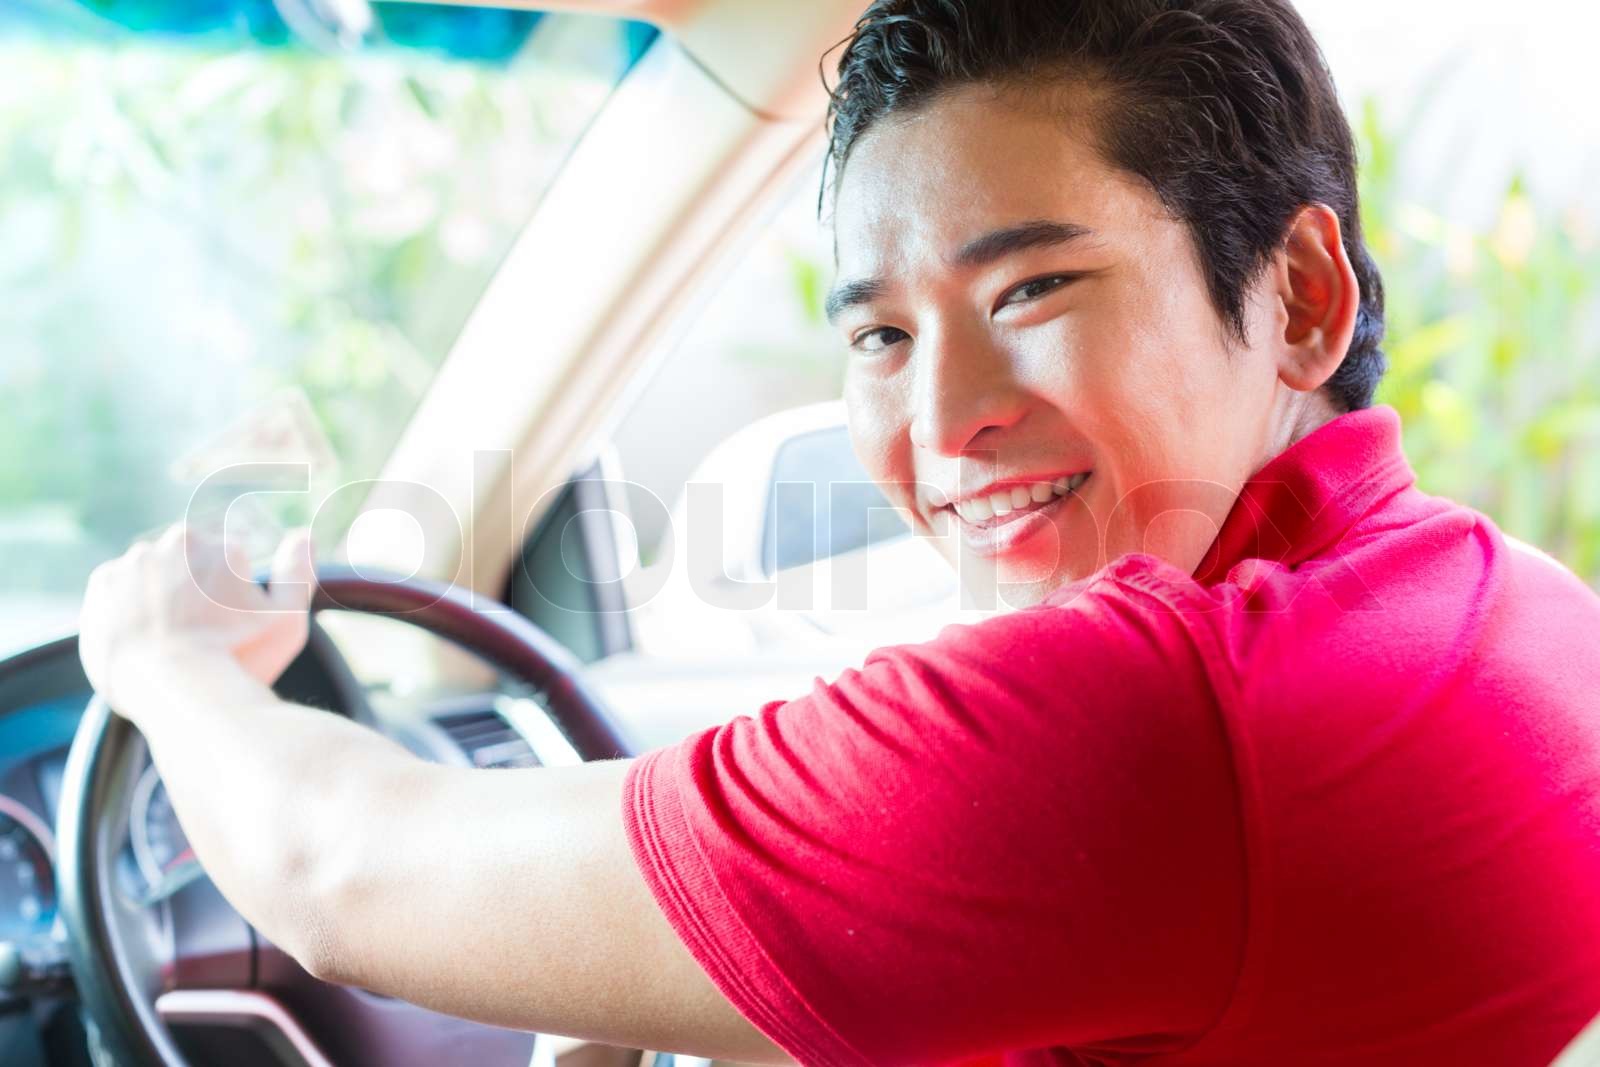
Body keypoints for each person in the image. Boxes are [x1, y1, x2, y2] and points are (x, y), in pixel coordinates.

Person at [78, 1, 1600, 1064]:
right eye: (879, 339)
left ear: (1304, 298)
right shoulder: (1506, 606)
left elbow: (336, 871)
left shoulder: (1144, 728)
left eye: (1030, 293)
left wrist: (169, 666)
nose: (944, 426)